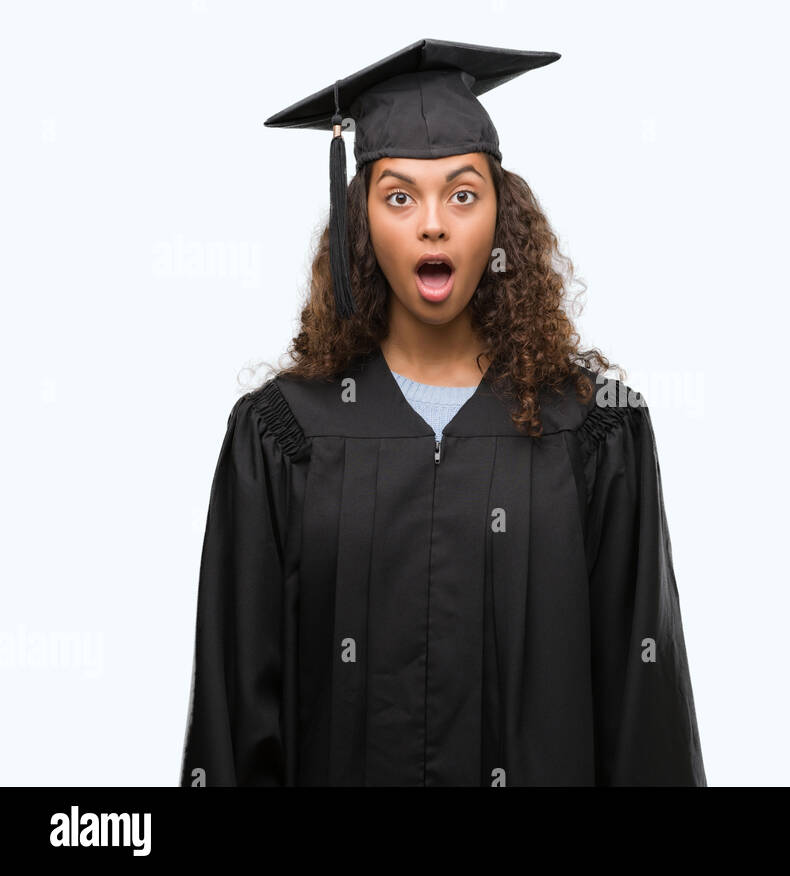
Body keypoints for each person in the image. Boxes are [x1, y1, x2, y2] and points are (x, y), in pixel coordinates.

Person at [179, 38, 706, 787]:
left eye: (463, 194)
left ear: (502, 216)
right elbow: (236, 724)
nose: (433, 224)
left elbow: (642, 716)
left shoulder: (594, 432)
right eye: (399, 196)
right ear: (359, 218)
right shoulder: (281, 437)